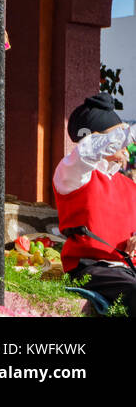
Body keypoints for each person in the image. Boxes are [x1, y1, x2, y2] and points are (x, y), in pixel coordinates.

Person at [53, 92, 136, 314]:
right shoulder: (73, 174)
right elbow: (87, 151)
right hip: (90, 269)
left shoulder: (129, 186)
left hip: (127, 270)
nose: (123, 142)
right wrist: (128, 132)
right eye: (116, 136)